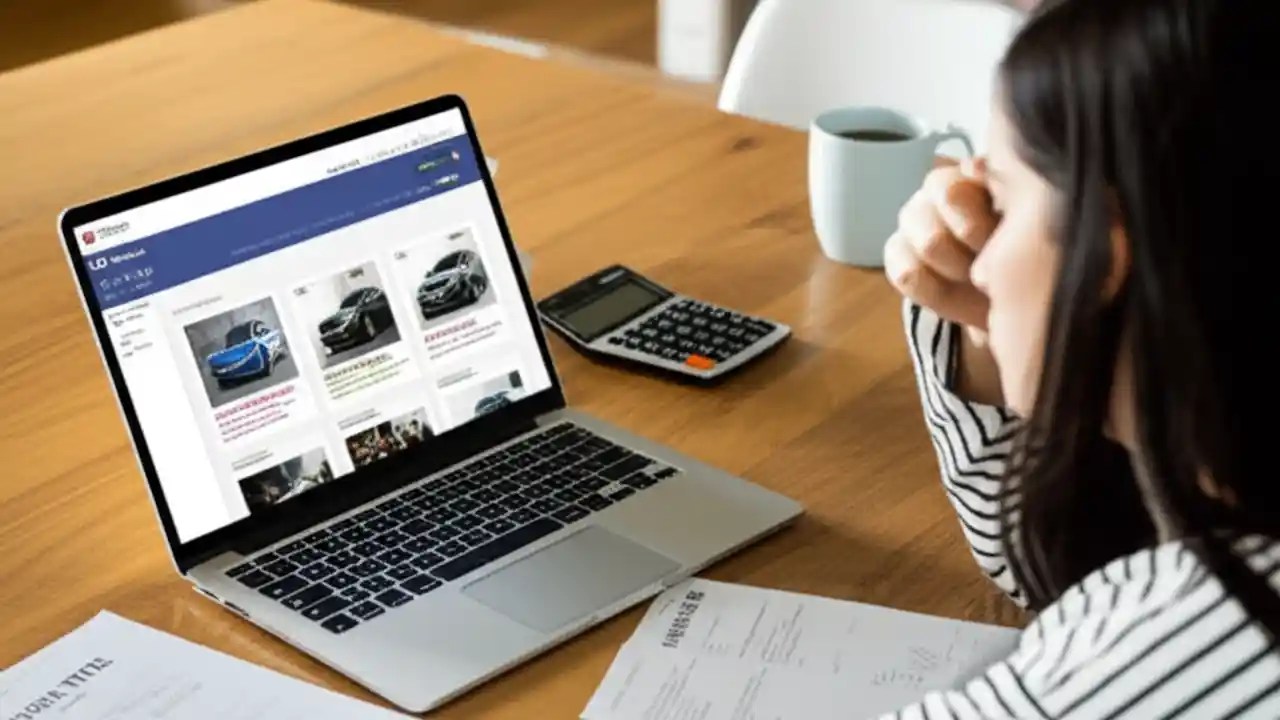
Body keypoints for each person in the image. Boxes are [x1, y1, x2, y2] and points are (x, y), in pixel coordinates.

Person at [879, 0, 1278, 716]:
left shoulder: (1173, 643)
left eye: (1000, 198)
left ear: (1102, 255)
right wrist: (991, 331)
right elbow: (1056, 572)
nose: (982, 255)